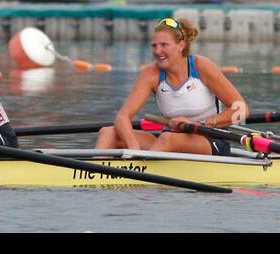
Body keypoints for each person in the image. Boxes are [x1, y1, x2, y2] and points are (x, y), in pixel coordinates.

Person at [94, 18, 247, 156]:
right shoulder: (150, 74)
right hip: (169, 141)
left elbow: (241, 109)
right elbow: (122, 118)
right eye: (154, 46)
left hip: (210, 140)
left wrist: (201, 124)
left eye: (164, 45)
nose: (157, 51)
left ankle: (141, 172)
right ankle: (92, 176)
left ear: (181, 45)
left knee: (168, 138)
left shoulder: (201, 66)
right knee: (107, 133)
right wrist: (133, 147)